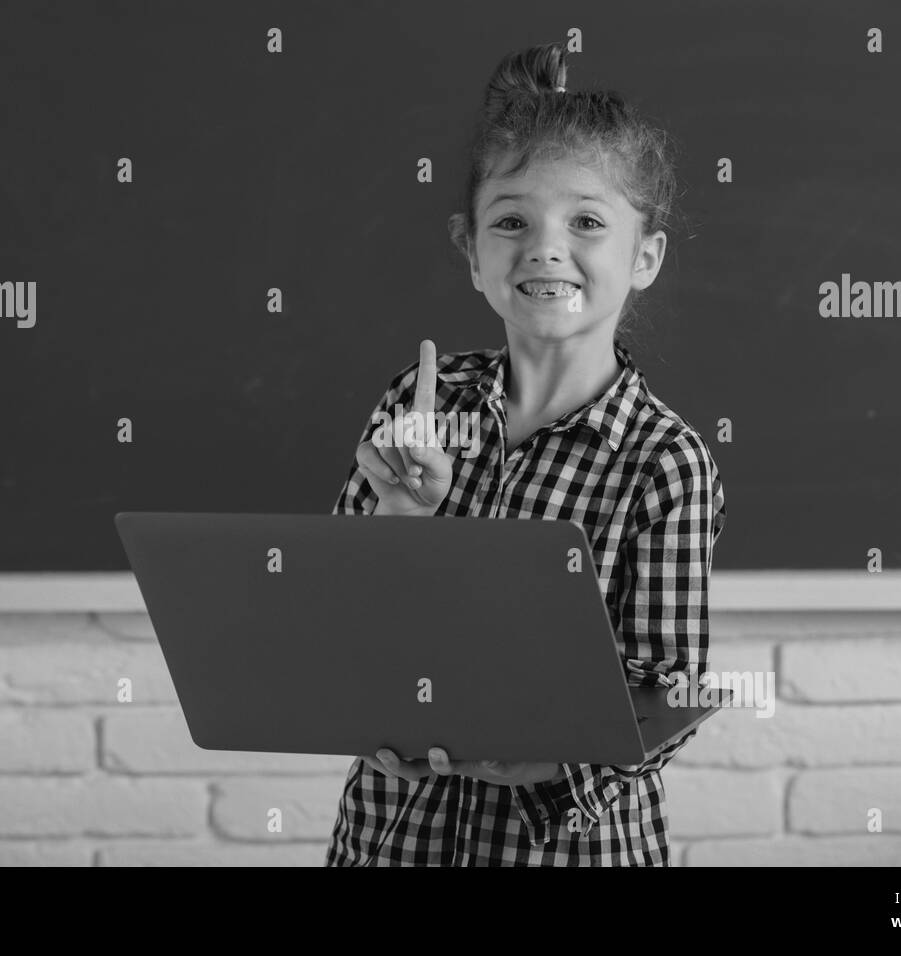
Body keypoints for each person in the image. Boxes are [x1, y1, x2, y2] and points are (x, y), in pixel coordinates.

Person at [325, 41, 727, 865]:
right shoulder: (420, 408)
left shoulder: (666, 461)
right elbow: (332, 625)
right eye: (511, 222)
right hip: (393, 839)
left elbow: (667, 689)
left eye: (587, 222)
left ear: (644, 257)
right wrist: (401, 517)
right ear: (472, 252)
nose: (545, 248)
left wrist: (543, 763)